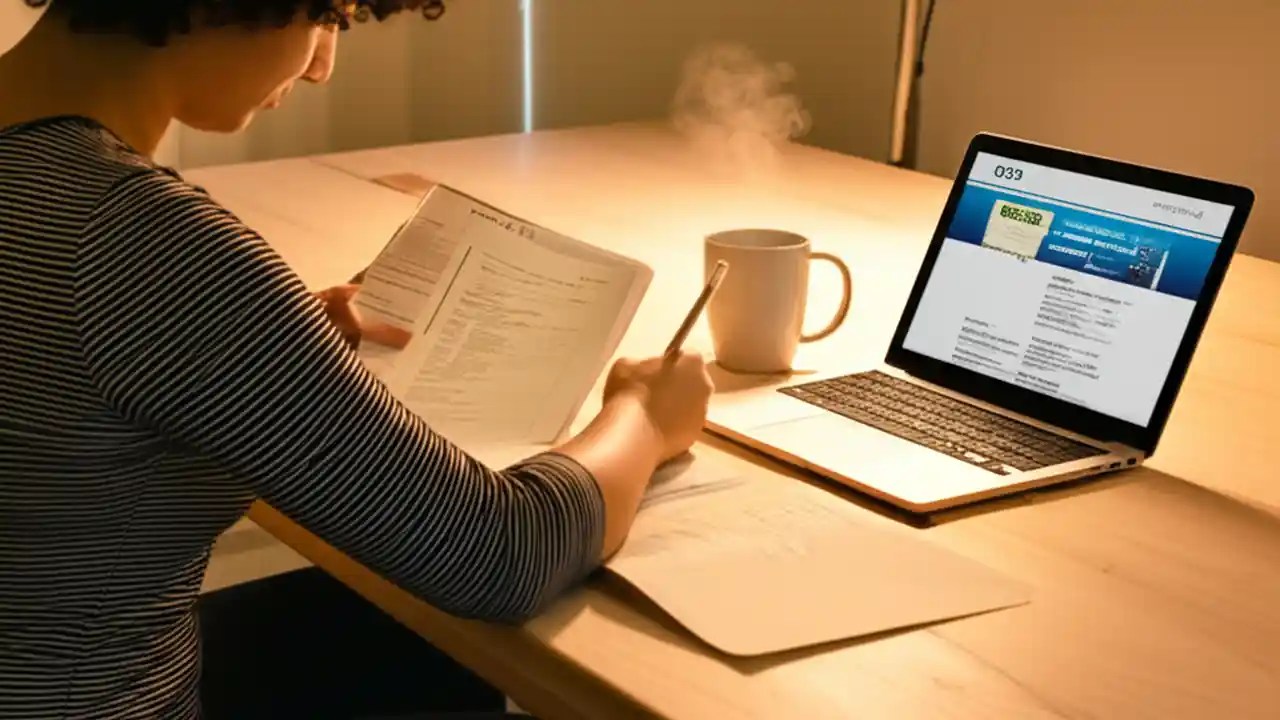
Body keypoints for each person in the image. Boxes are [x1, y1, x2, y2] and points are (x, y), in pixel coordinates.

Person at [0, 1, 714, 718]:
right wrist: (647, 415)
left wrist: (264, 348)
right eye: (325, 16)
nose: (320, 66)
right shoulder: (140, 241)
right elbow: (502, 555)